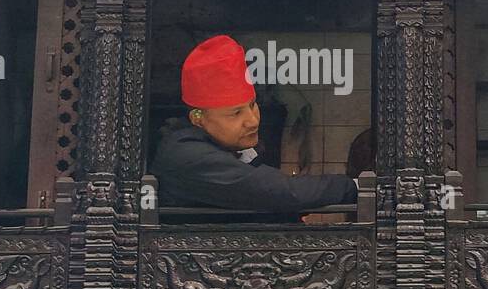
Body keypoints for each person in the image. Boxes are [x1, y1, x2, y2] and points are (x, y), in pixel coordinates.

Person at [150, 35, 357, 214]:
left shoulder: (228, 145)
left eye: (252, 105)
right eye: (235, 113)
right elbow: (277, 192)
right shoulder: (187, 155)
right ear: (198, 118)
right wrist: (354, 188)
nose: (252, 120)